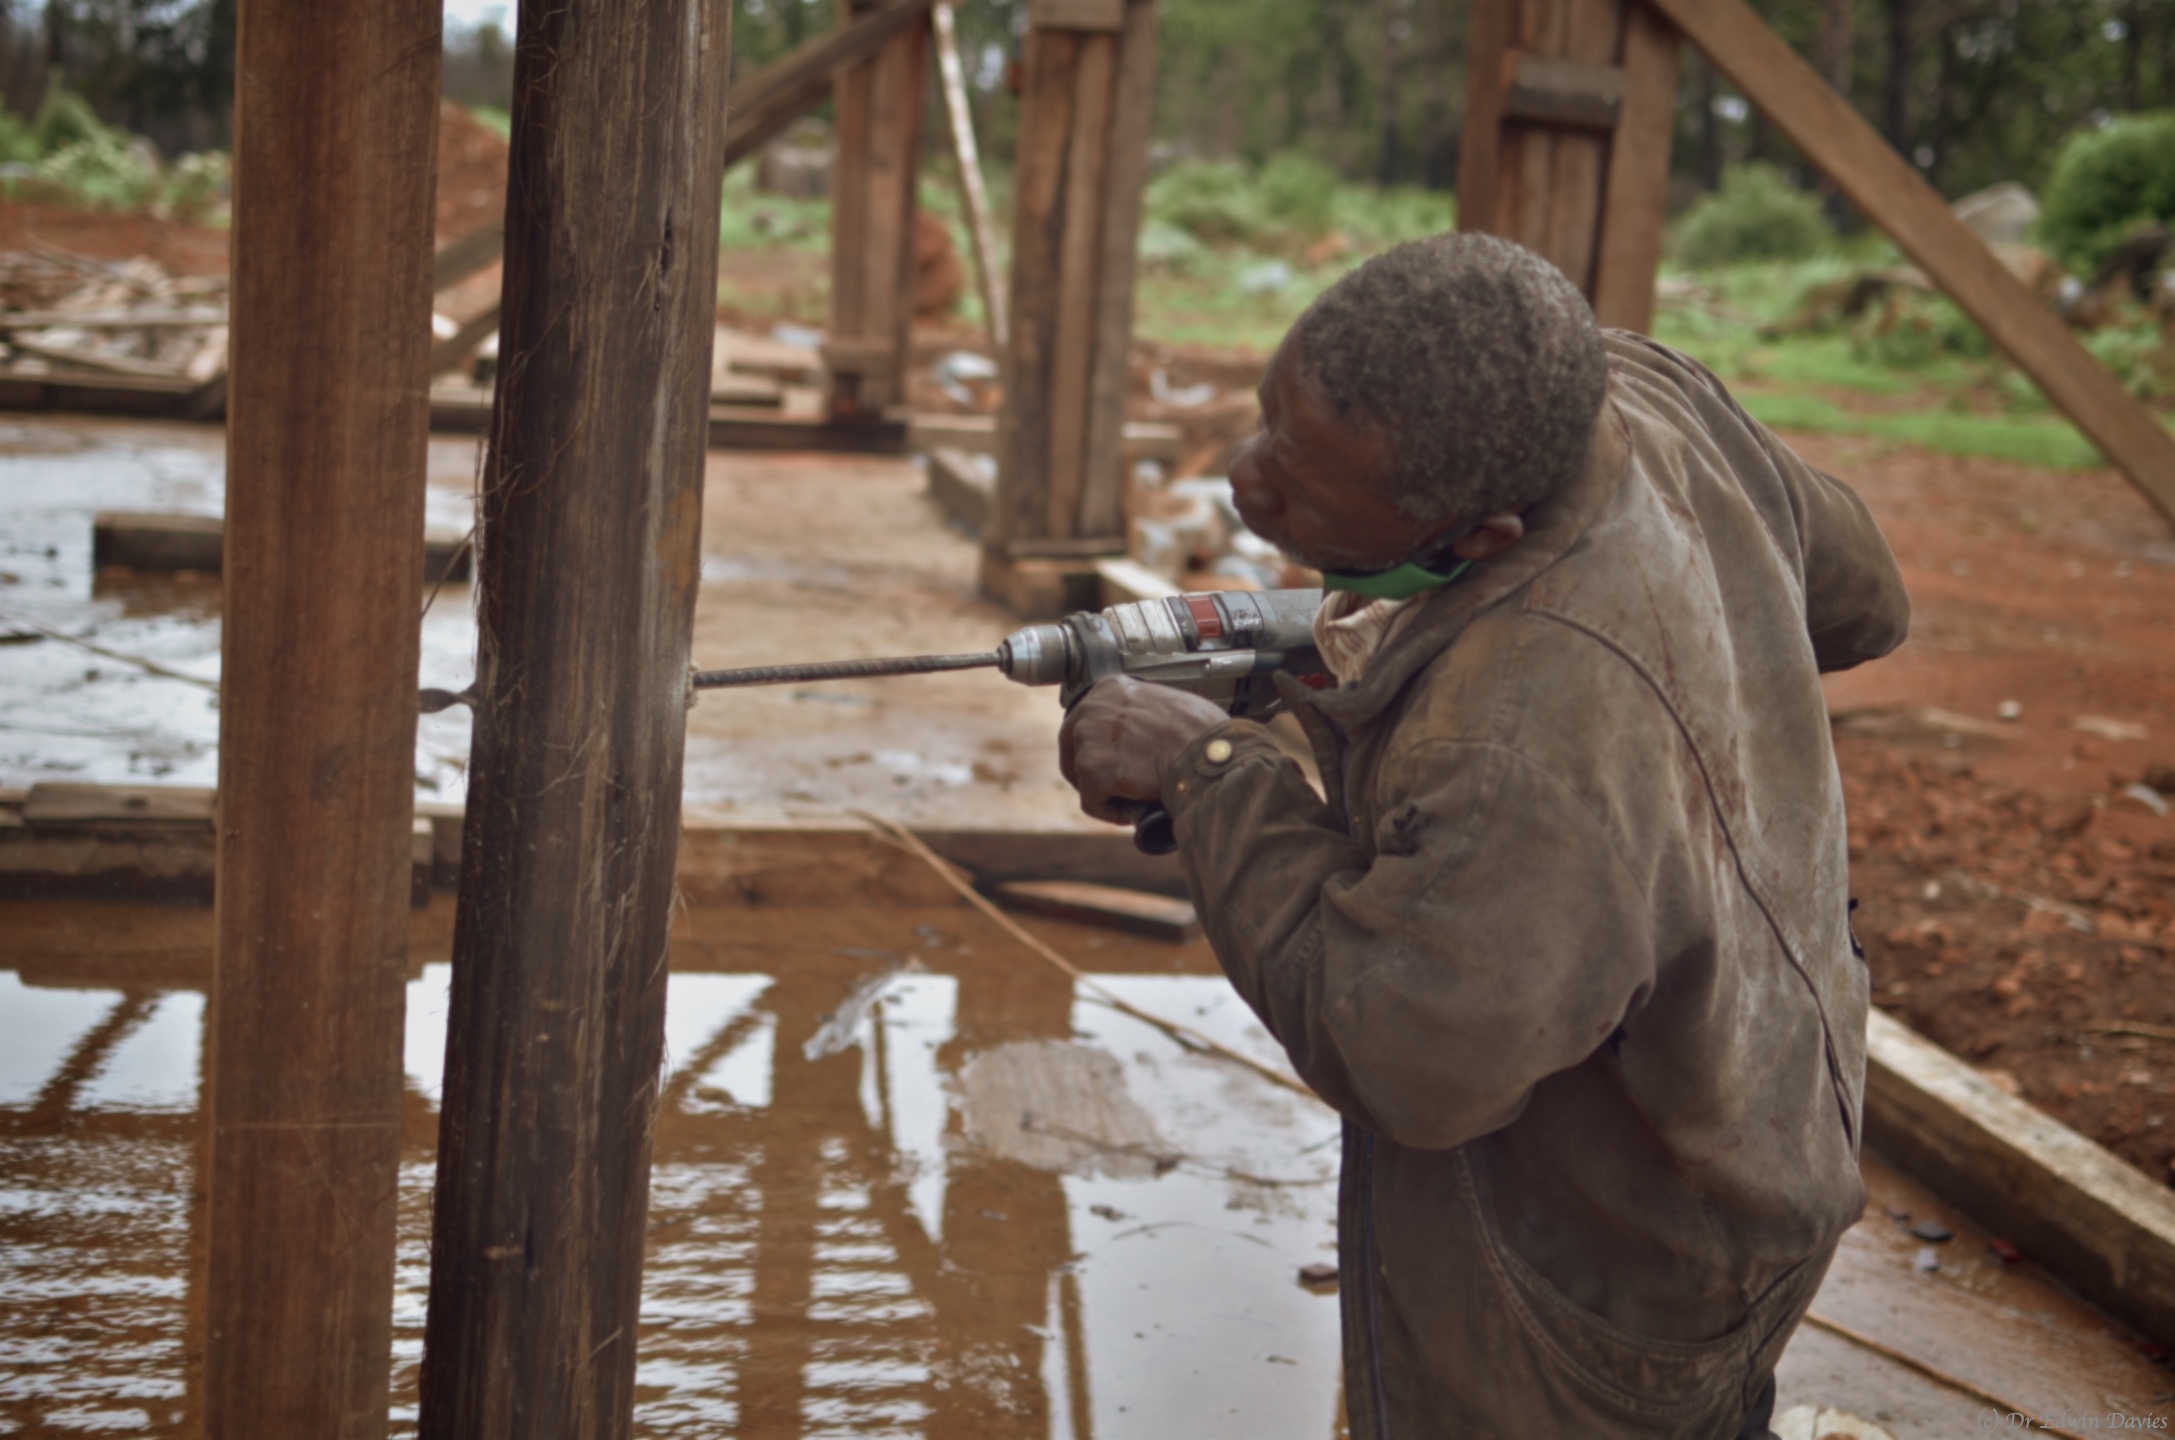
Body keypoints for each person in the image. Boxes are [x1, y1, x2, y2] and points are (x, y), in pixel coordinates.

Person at [1058, 233, 1909, 1438]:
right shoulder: (1634, 396)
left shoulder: (1522, 748)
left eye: (1301, 487)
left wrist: (1208, 773)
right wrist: (1360, 632)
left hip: (1624, 1247)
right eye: (1269, 425)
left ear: (1483, 538)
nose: (1248, 481)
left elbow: (1407, 1054)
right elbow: (1863, 596)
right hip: (1760, 1097)